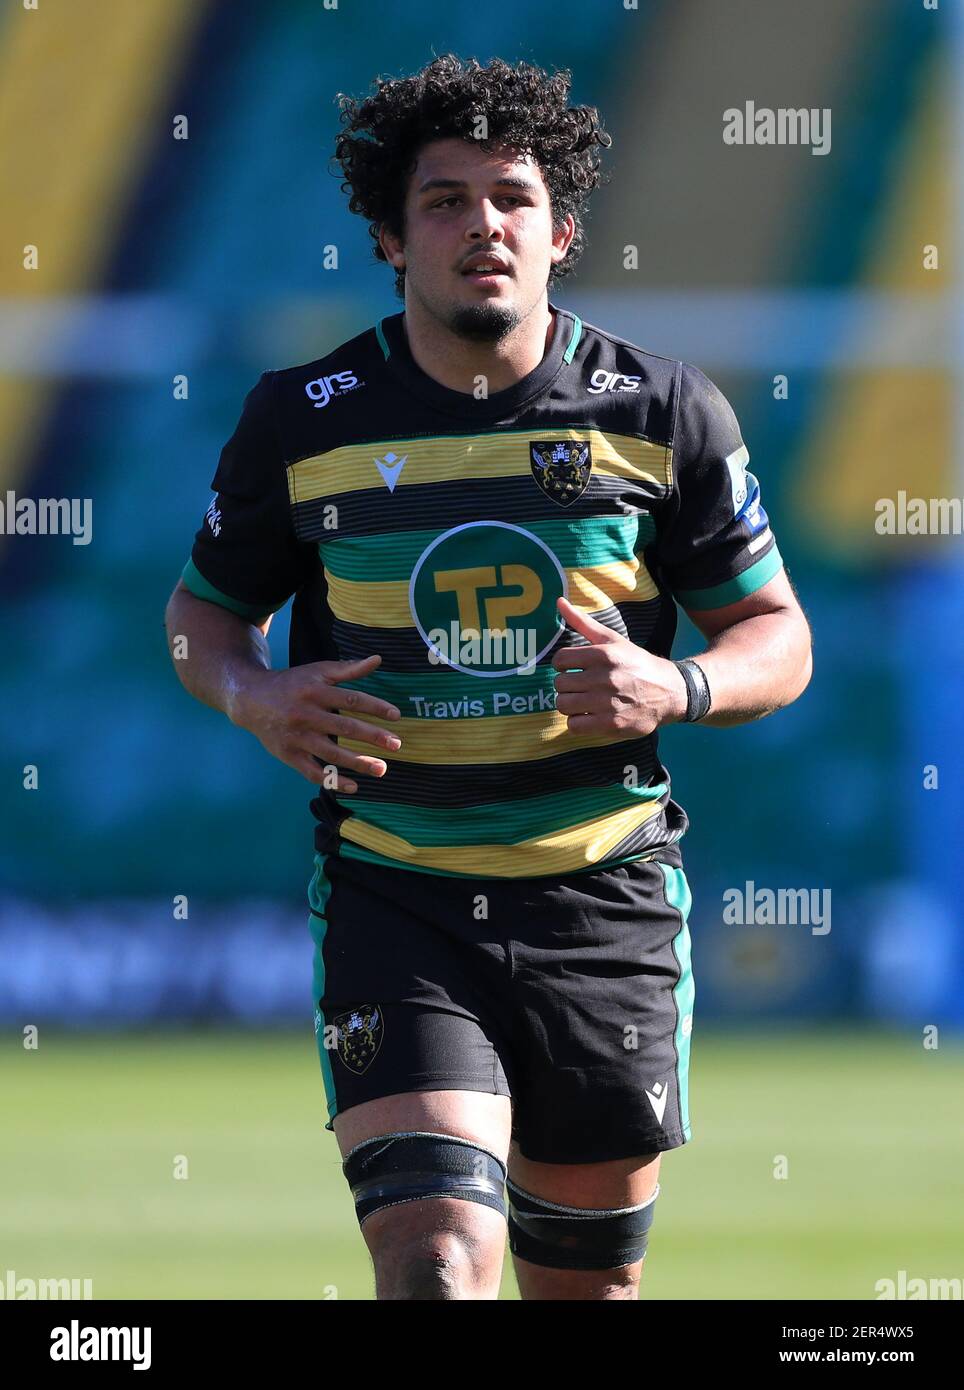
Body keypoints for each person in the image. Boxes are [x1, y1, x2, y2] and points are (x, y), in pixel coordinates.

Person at [165, 54, 812, 1301]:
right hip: (397, 899)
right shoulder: (304, 420)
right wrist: (255, 696)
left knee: (581, 1290)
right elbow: (202, 612)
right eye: (445, 202)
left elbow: (777, 637)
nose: (483, 228)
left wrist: (669, 688)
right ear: (388, 239)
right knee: (437, 1263)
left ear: (561, 230)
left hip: (604, 902)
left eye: (511, 198)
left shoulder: (663, 412)